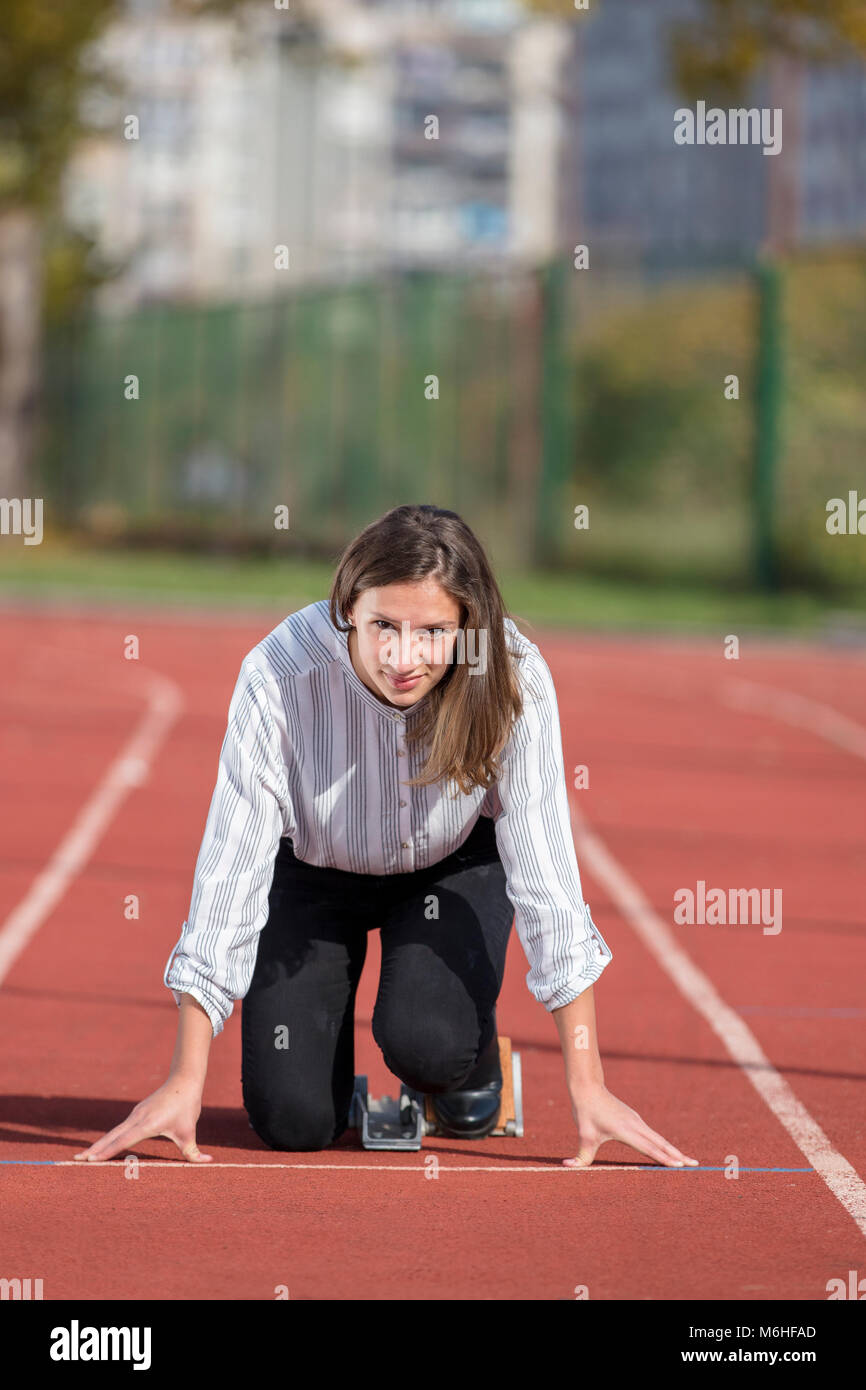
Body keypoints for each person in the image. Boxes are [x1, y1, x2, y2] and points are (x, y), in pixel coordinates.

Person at [75, 504, 697, 1169]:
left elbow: (547, 879)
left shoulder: (512, 676)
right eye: (383, 627)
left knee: (428, 1045)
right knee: (293, 1121)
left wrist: (588, 1083)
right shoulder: (278, 677)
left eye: (432, 631)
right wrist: (185, 1079)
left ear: (468, 626)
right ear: (348, 604)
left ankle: (472, 1064)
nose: (404, 658)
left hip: (448, 867)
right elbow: (230, 873)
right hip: (313, 873)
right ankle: (327, 1075)